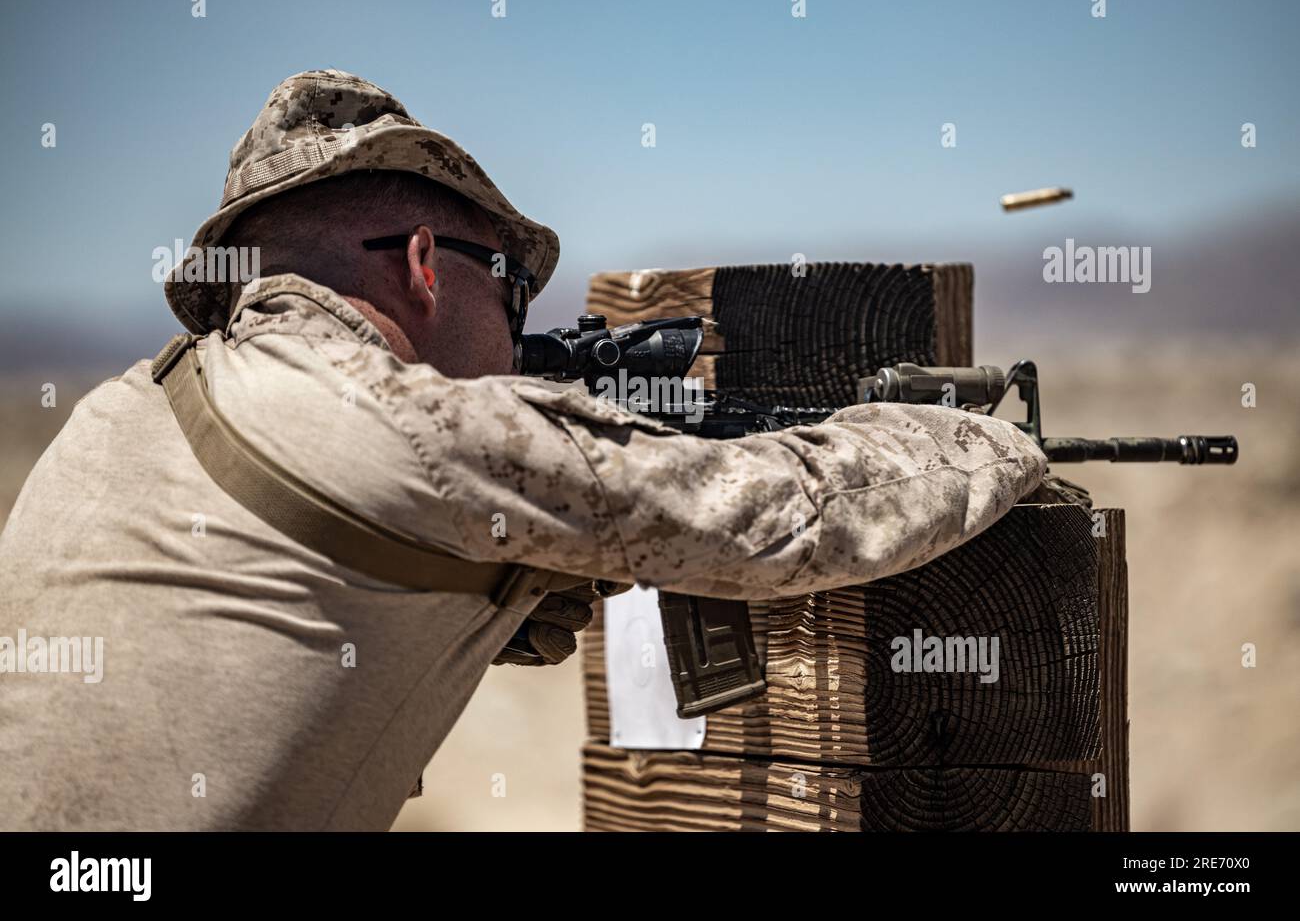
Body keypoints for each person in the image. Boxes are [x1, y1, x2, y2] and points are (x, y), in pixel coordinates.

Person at [0, 69, 1045, 830]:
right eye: (510, 290)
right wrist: (986, 440)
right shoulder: (415, 428)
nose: (514, 336)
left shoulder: (114, 414)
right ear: (422, 263)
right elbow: (779, 518)